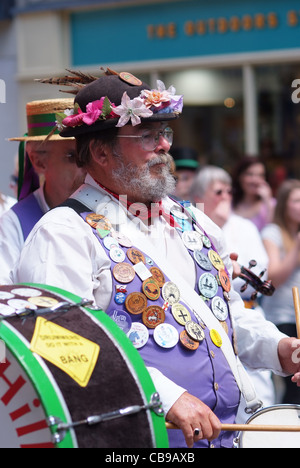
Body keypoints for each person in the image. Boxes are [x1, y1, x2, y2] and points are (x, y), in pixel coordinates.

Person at [13, 70, 300, 449]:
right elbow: (61, 344)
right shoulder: (64, 233)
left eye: (164, 133)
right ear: (100, 152)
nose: (163, 146)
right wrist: (165, 397)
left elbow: (226, 318)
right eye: (146, 136)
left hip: (231, 435)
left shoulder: (194, 222)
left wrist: (280, 348)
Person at [190, 166, 276, 418]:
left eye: (229, 190)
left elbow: (260, 270)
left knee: (263, 400)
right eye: (218, 191)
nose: (226, 195)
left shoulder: (244, 226)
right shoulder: (188, 228)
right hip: (207, 326)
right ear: (198, 197)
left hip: (247, 314)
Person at [0, 98, 86, 284]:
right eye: (72, 157)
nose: (86, 167)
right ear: (38, 161)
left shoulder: (111, 209)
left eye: (88, 155)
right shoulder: (13, 225)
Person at [261, 179, 300, 404]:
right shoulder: (273, 232)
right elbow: (273, 278)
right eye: (296, 200)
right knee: (293, 384)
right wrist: (296, 248)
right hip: (284, 317)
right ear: (284, 205)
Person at [232, 156, 276, 232]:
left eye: (260, 175)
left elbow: (275, 232)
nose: (255, 180)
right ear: (239, 177)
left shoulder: (272, 204)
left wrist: (267, 202)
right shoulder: (229, 203)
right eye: (250, 174)